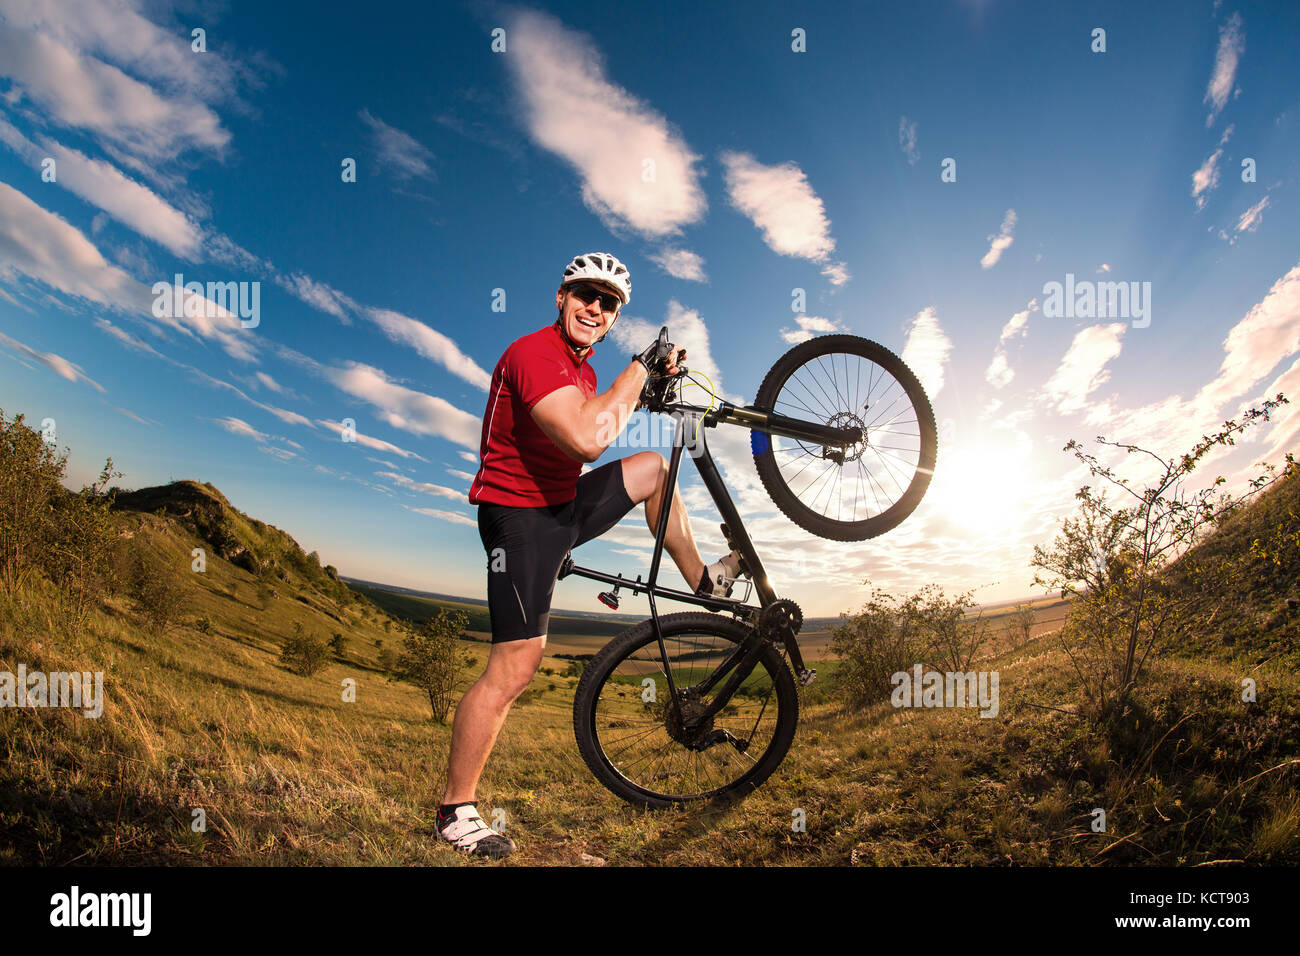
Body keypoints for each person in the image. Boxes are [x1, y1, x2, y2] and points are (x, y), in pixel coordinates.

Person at [436, 252, 745, 858]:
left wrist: (654, 383)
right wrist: (638, 368)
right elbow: (585, 435)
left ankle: (704, 581)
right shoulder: (533, 355)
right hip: (519, 518)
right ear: (561, 297)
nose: (595, 308)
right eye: (586, 295)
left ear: (612, 318)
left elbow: (611, 417)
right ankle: (455, 809)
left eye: (608, 303)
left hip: (563, 505)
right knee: (516, 667)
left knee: (653, 467)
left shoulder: (583, 371)